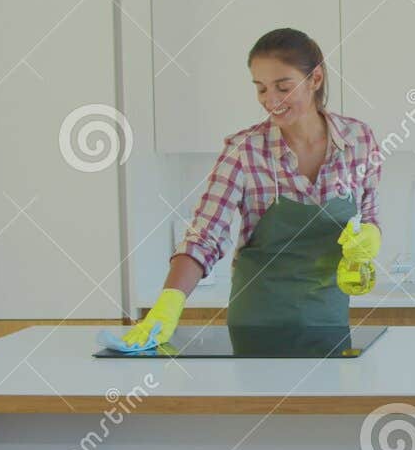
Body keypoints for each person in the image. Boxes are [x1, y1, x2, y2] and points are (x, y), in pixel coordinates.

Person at [125, 28, 382, 347]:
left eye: (283, 87)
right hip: (257, 325)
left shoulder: (359, 140)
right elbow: (204, 235)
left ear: (315, 79)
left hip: (328, 320)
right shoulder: (244, 150)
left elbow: (368, 213)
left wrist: (368, 241)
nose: (270, 101)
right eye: (260, 89)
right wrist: (169, 302)